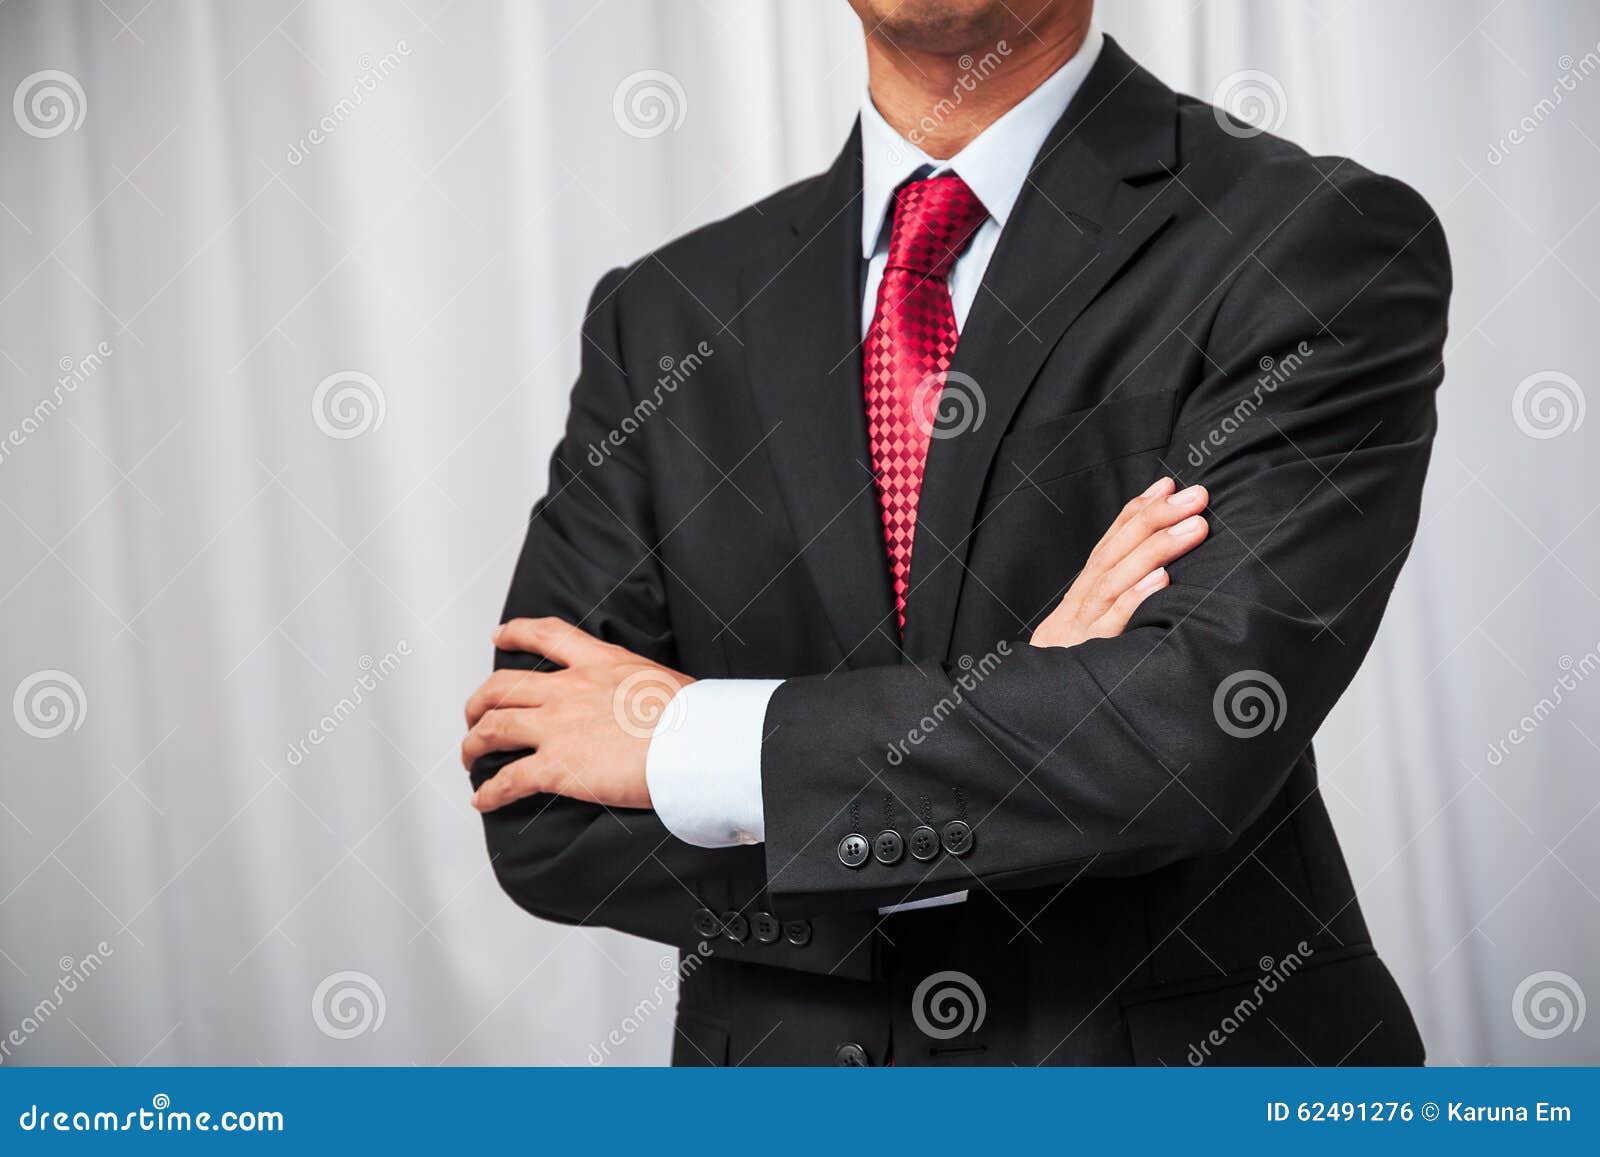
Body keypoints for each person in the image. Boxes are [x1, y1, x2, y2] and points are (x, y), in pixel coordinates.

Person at [462, 0, 1450, 1066]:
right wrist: (1040, 705)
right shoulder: (661, 314)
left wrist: (688, 744)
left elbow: (1190, 735)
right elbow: (540, 803)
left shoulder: (1311, 241)